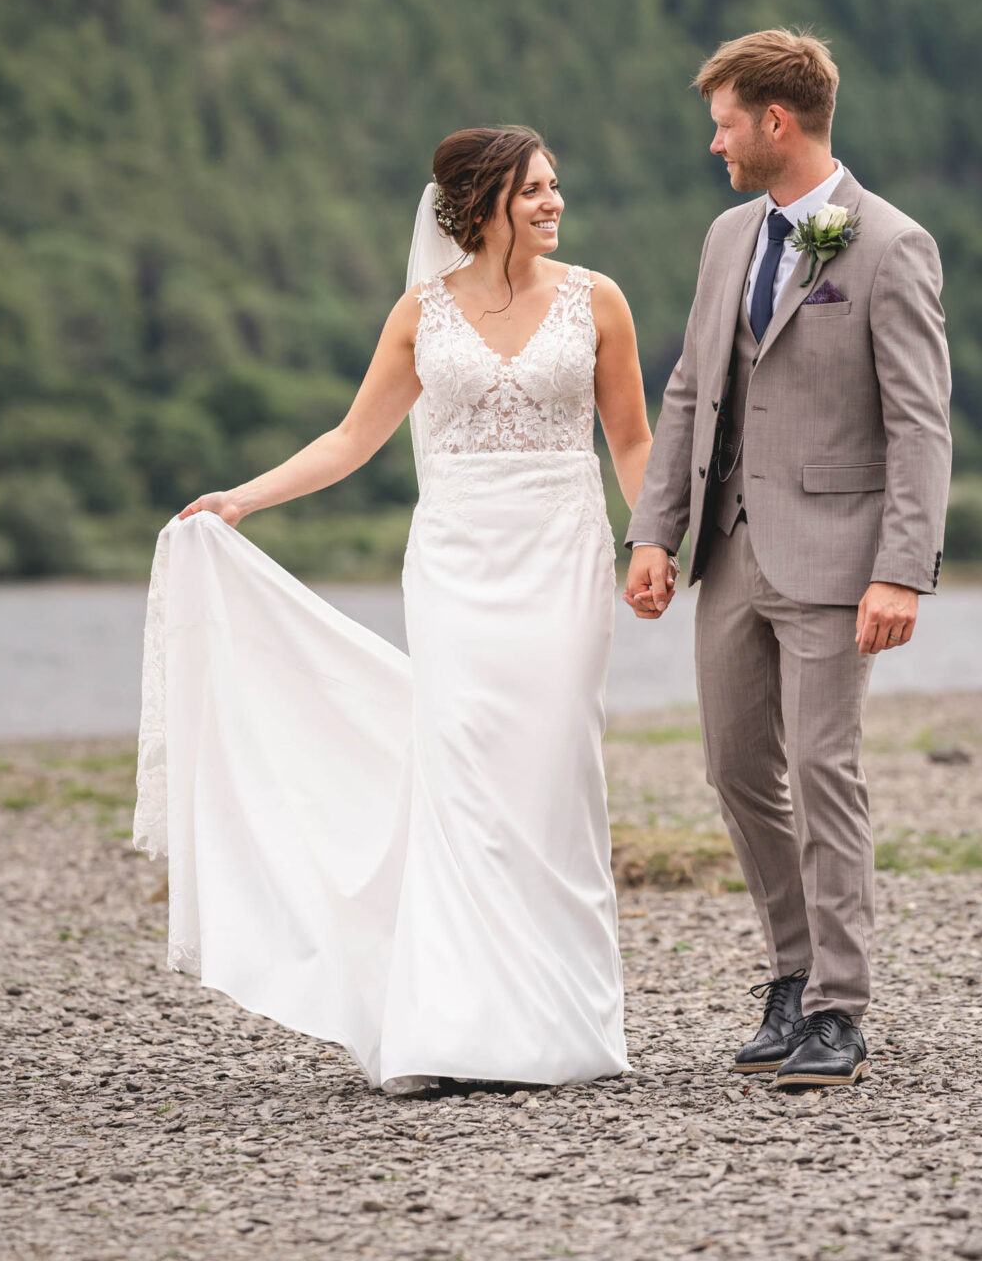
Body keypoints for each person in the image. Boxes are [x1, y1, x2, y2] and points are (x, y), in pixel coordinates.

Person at [134, 126, 652, 1093]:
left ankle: (564, 1022)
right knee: (459, 772)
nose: (554, 204)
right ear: (485, 201)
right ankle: (450, 1022)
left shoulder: (597, 299)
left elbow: (630, 441)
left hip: (560, 556)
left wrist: (653, 540)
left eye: (555, 189)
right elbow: (349, 437)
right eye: (535, 190)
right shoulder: (420, 313)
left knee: (549, 772)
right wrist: (242, 498)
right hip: (456, 560)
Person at [625, 30, 951, 1089]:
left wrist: (901, 568)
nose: (712, 139)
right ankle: (792, 970)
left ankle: (840, 1008)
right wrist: (653, 531)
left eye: (724, 120)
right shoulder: (727, 236)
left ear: (777, 121)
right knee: (734, 768)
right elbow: (688, 391)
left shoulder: (892, 245)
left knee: (823, 771)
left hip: (837, 560)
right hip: (729, 554)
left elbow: (920, 422)